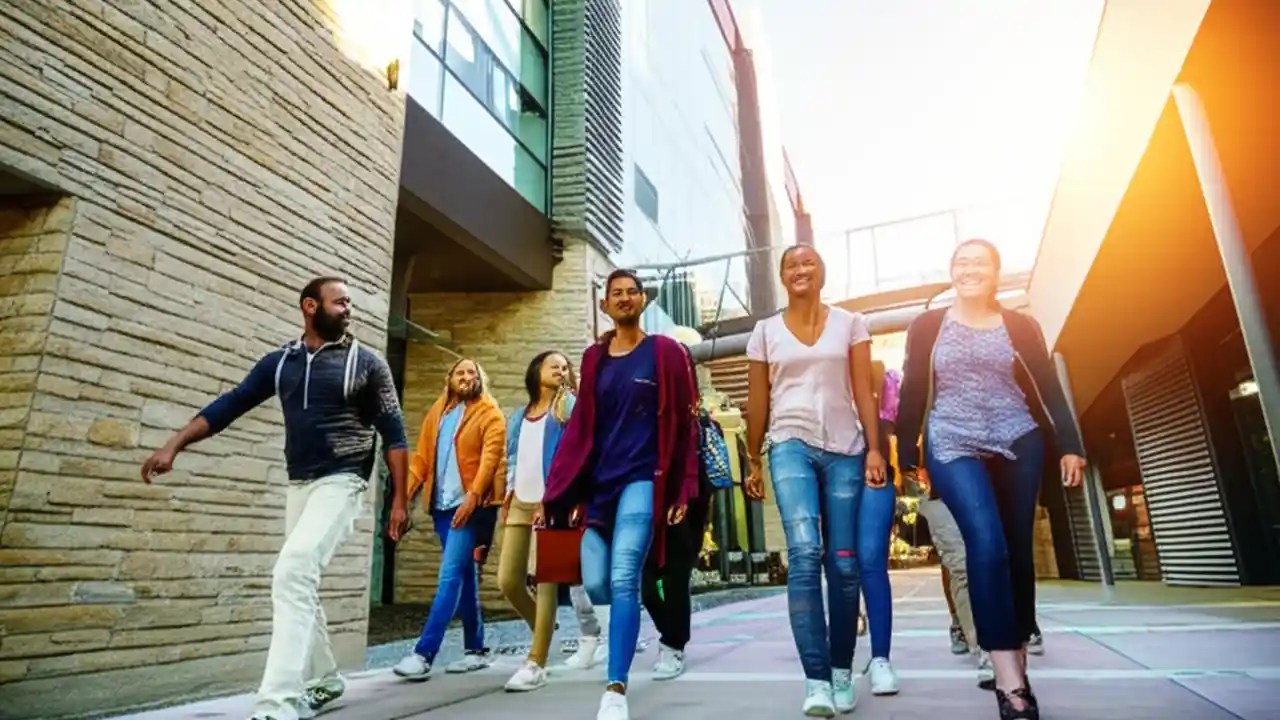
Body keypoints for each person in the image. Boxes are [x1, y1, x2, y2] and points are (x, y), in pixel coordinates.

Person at [140, 277, 410, 720]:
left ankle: (276, 704)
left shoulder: (367, 363)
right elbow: (229, 405)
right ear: (310, 306)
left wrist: (399, 502)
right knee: (298, 580)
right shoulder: (280, 363)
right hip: (299, 484)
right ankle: (325, 677)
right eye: (340, 302)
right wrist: (174, 444)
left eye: (350, 303)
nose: (349, 310)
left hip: (344, 480)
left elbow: (395, 436)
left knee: (293, 570)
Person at [894, 238, 1087, 720]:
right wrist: (904, 453)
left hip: (1018, 438)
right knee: (986, 545)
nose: (969, 268)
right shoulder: (927, 327)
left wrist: (1070, 444)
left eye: (980, 262)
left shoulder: (1020, 326)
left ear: (996, 273)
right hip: (952, 441)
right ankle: (1009, 678)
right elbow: (915, 385)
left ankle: (1017, 643)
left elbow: (1046, 385)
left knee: (1017, 550)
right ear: (951, 271)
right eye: (961, 261)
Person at [541, 269, 701, 720]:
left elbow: (686, 423)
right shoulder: (594, 358)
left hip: (644, 477)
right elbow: (583, 425)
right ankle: (625, 640)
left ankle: (616, 686)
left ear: (643, 300)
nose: (625, 298)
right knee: (594, 582)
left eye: (633, 292)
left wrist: (682, 488)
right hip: (601, 485)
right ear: (604, 305)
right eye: (617, 293)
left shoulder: (666, 352)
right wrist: (570, 487)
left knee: (626, 573)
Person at [744, 245, 886, 717]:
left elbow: (864, 389)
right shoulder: (764, 332)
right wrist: (752, 457)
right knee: (804, 553)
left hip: (847, 450)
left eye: (808, 263)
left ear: (822, 272)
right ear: (782, 277)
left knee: (844, 564)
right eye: (791, 265)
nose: (800, 269)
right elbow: (758, 400)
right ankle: (816, 680)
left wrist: (875, 448)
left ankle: (843, 670)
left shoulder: (851, 323)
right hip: (790, 444)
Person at [393, 358, 506, 681]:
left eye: (472, 372)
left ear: (480, 379)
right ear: (450, 378)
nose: (467, 377)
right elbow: (421, 460)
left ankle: (424, 653)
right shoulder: (438, 412)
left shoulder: (489, 413)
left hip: (471, 507)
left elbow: (489, 459)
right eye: (460, 372)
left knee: (450, 577)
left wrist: (472, 497)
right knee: (465, 575)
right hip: (442, 507)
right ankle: (475, 650)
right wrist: (403, 498)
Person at [499, 351, 605, 691]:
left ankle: (536, 661)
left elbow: (580, 454)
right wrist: (508, 492)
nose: (561, 370)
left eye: (565, 366)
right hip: (520, 502)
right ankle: (545, 628)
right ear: (536, 372)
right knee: (508, 582)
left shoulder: (568, 407)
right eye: (553, 365)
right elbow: (514, 457)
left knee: (547, 580)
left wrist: (567, 498)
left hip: (553, 503)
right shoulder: (519, 415)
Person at [640, 340, 714, 683]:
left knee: (675, 574)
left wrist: (684, 500)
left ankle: (673, 643)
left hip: (685, 503)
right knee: (646, 583)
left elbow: (704, 474)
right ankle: (670, 633)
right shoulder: (646, 408)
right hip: (646, 499)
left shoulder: (697, 417)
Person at [858, 365, 901, 695]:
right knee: (840, 565)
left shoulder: (883, 378)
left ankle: (881, 659)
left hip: (875, 476)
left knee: (872, 561)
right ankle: (839, 666)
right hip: (831, 476)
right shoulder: (819, 369)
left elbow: (902, 420)